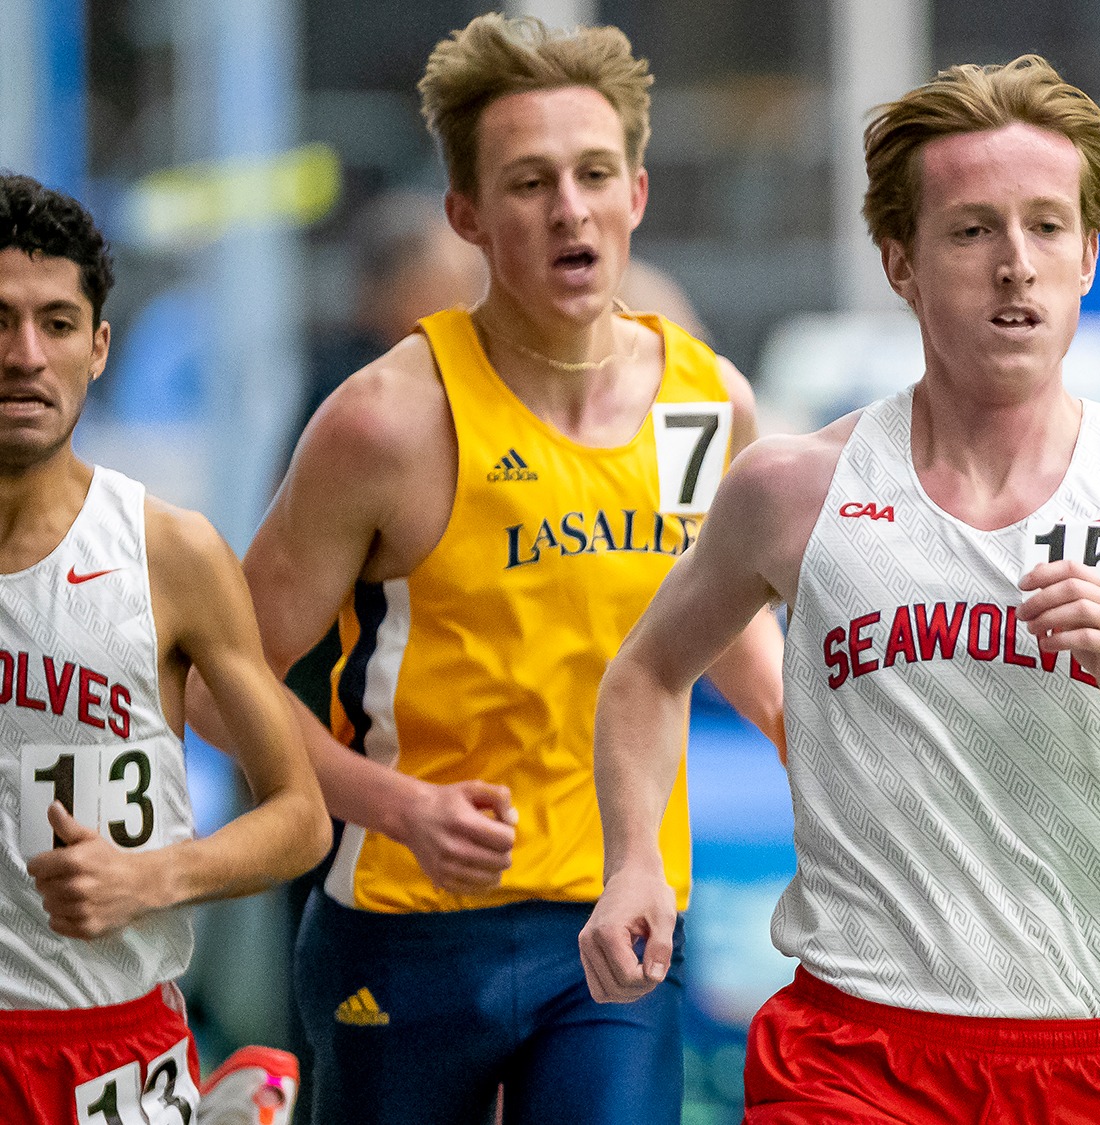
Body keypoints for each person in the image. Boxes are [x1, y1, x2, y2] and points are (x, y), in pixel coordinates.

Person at [581, 55, 1100, 1124]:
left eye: (1045, 228)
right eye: (973, 230)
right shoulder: (794, 487)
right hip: (848, 1056)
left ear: (1088, 257)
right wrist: (632, 868)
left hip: (1090, 1059)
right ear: (900, 262)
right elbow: (646, 674)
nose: (1014, 267)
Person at [188, 14, 781, 1125]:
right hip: (406, 929)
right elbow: (213, 686)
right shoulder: (385, 423)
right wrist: (396, 805)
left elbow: (722, 615)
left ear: (636, 195)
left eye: (593, 174)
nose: (568, 207)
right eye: (527, 182)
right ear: (465, 214)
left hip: (618, 914)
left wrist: (811, 740)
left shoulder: (705, 401)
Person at [0, 175, 329, 1120]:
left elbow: (300, 814)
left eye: (58, 324)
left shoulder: (168, 551)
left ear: (99, 348)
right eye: (2, 319)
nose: (28, 355)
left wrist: (149, 877)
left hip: (111, 1046)